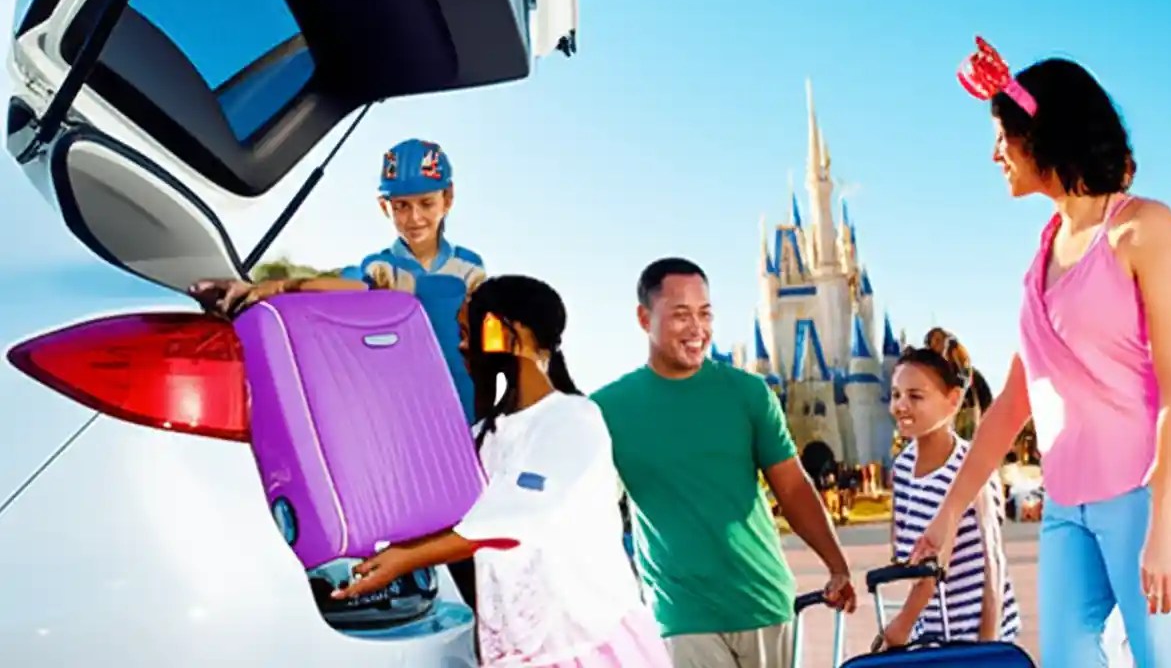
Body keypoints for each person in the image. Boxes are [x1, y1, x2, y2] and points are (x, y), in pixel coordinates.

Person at [910, 38, 1171, 667]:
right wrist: (949, 516)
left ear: (1043, 135)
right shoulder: (1042, 256)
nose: (994, 153)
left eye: (1003, 136)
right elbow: (1012, 402)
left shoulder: (1144, 228)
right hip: (1066, 508)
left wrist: (1167, 528)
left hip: (1146, 496)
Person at [333, 275, 669, 667]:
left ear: (506, 332)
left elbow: (519, 515)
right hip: (515, 652)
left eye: (466, 331)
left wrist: (406, 558)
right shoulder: (482, 437)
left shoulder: (573, 419)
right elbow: (425, 500)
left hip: (587, 647)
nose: (460, 345)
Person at [591, 257, 856, 668]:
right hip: (680, 613)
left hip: (763, 602)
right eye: (681, 315)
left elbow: (792, 487)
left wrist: (837, 565)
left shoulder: (747, 394)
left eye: (704, 313)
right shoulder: (606, 410)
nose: (697, 328)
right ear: (644, 318)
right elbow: (587, 508)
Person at [190, 138, 485, 421]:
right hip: (399, 406)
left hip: (465, 408)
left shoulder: (469, 267)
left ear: (448, 198)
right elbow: (342, 289)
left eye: (426, 203)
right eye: (401, 206)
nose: (414, 217)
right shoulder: (379, 268)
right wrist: (270, 289)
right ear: (385, 207)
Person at [876, 328, 1020, 651]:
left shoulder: (971, 468)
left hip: (978, 637)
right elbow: (911, 563)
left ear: (953, 401)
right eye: (896, 394)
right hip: (932, 639)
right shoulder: (901, 469)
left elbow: (993, 564)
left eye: (915, 396)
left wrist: (988, 646)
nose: (901, 406)